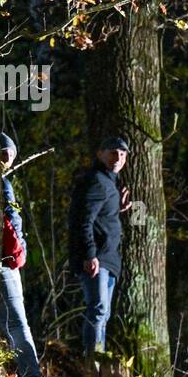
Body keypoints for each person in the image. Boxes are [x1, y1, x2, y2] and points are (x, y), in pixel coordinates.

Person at [68, 136, 130, 356]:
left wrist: (117, 210)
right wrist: (90, 254)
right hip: (98, 258)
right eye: (113, 152)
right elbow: (82, 220)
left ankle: (98, 359)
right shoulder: (96, 181)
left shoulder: (110, 182)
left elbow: (100, 215)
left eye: (123, 154)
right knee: (98, 309)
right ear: (100, 154)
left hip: (109, 258)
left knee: (103, 313)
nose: (118, 157)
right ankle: (92, 361)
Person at [0, 133, 44, 377]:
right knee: (16, 322)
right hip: (3, 264)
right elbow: (14, 223)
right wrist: (19, 250)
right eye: (4, 154)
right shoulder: (3, 185)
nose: (7, 160)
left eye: (12, 156)